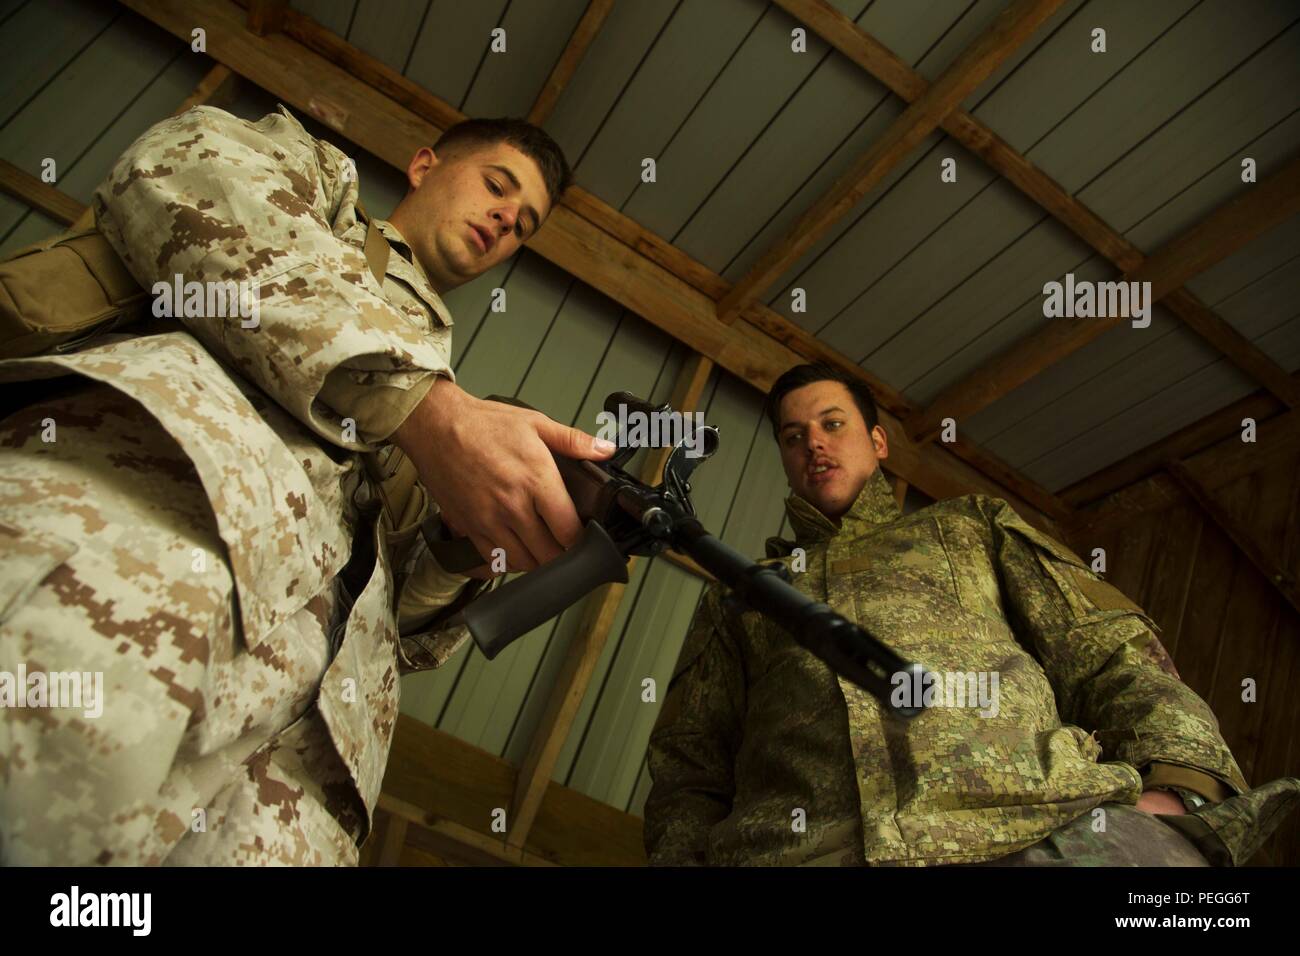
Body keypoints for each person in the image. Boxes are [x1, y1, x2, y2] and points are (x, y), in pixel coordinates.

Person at [0, 103, 615, 864]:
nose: (504, 220)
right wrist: (423, 406)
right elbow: (185, 181)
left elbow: (405, 626)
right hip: (131, 575)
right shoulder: (312, 176)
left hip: (304, 763)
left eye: (523, 224)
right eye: (497, 184)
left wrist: (470, 546)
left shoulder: (449, 415)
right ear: (426, 165)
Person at [643, 362, 1299, 866]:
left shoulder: (971, 525)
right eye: (794, 436)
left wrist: (1181, 789)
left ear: (877, 442)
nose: (813, 444)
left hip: (1032, 828)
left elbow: (1109, 649)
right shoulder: (745, 594)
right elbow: (689, 762)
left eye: (832, 423)